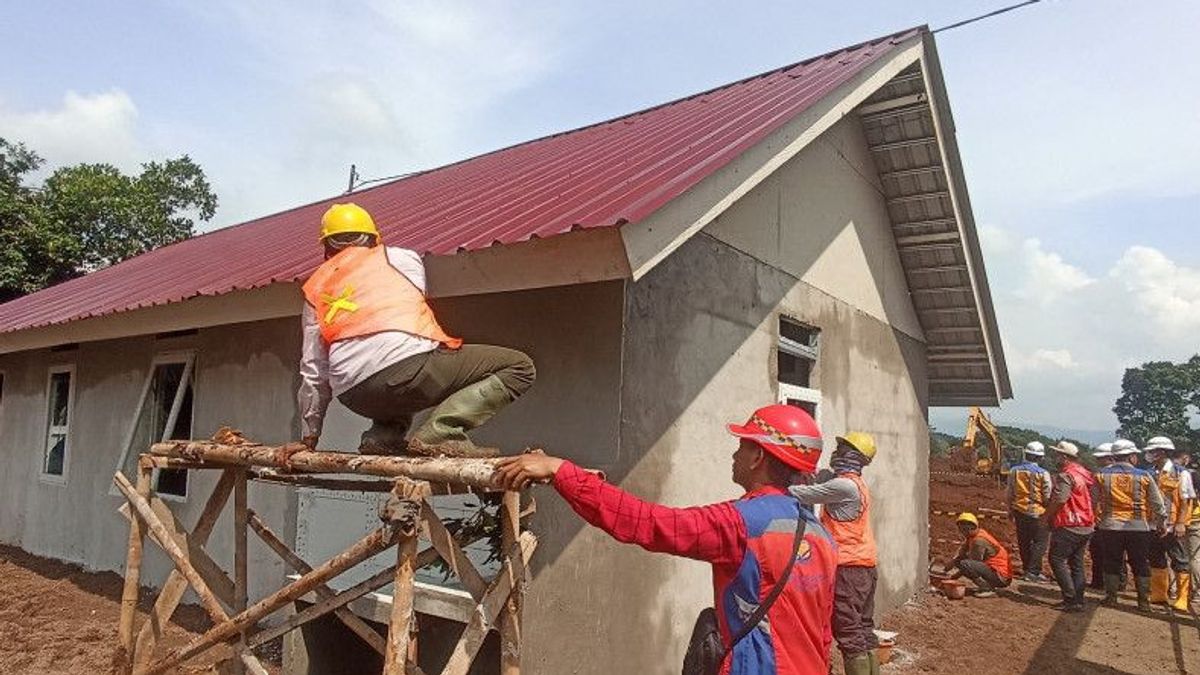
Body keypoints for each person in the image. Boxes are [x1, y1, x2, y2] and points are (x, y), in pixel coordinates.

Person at [494, 404, 838, 675]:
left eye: (741, 446)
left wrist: (559, 470)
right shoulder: (820, 535)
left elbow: (646, 523)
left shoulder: (740, 524)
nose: (734, 456)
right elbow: (823, 633)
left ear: (758, 457)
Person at [297, 203, 536, 457]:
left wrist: (309, 438)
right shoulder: (401, 258)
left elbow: (313, 371)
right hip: (405, 374)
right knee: (519, 367)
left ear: (326, 247)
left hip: (353, 395)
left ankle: (382, 436)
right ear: (374, 239)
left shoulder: (316, 288)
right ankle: (443, 431)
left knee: (399, 375)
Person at [789, 432, 879, 675]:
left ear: (853, 456)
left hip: (848, 567)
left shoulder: (844, 486)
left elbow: (800, 494)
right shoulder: (854, 483)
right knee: (863, 628)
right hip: (864, 566)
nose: (836, 453)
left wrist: (778, 483)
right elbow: (822, 479)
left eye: (842, 449)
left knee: (848, 631)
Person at [1095, 439, 1166, 612]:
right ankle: (1143, 602)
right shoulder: (1144, 476)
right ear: (1132, 457)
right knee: (1140, 562)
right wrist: (1161, 522)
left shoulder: (1100, 474)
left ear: (1114, 456)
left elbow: (1092, 500)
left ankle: (1111, 598)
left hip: (1110, 526)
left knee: (1111, 561)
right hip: (1138, 527)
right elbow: (1158, 503)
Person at [1042, 441, 1097, 612]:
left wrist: (1046, 517)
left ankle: (1070, 598)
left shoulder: (1066, 475)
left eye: (1057, 455)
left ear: (1064, 457)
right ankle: (1078, 600)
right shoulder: (1084, 474)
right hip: (1086, 524)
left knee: (1056, 559)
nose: (1055, 458)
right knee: (1076, 563)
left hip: (1069, 523)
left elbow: (1060, 499)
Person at [1144, 437, 1193, 610]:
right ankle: (1159, 594)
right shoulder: (1149, 472)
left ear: (1162, 452)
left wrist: (1180, 523)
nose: (1149, 454)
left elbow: (1186, 501)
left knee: (1179, 559)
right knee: (1156, 558)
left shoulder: (1181, 473)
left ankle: (1182, 598)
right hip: (1152, 524)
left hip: (1173, 525)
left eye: (1153, 451)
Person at [1006, 441, 1053, 582]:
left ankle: (1028, 568)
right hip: (1038, 512)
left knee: (1024, 542)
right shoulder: (1043, 474)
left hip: (1019, 511)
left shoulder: (1014, 471)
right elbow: (1047, 495)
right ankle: (1033, 572)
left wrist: (1010, 509)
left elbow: (1010, 492)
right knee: (1040, 543)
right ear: (1040, 457)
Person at [948, 512, 1012, 597]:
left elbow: (971, 564)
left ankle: (987, 588)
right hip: (994, 571)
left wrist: (953, 578)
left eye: (962, 529)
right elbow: (962, 553)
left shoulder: (979, 541)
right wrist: (951, 564)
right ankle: (987, 586)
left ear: (970, 528)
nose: (961, 532)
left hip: (1001, 577)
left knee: (965, 564)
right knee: (961, 561)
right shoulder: (973, 535)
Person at [1087, 442, 1115, 589]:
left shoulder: (1100, 476)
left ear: (1110, 458)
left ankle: (1099, 582)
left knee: (1098, 552)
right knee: (1115, 554)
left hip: (1103, 521)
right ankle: (1116, 584)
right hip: (1119, 521)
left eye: (1101, 458)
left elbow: (1093, 500)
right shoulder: (1127, 474)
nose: (1098, 461)